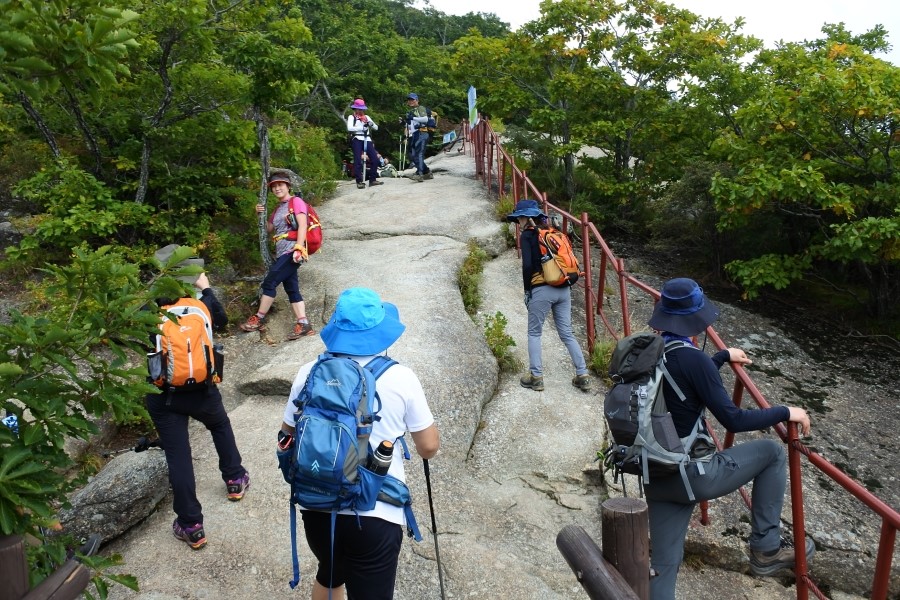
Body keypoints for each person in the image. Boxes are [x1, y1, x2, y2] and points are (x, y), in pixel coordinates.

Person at [643, 277, 814, 600]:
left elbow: (683, 381)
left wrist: (721, 357)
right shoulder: (692, 359)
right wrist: (785, 412)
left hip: (656, 473)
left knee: (663, 565)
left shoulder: (651, 349)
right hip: (694, 475)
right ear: (696, 318)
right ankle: (766, 548)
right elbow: (732, 418)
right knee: (773, 453)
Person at [279, 287, 440, 600]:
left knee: (330, 574)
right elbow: (428, 447)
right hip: (374, 515)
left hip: (316, 503)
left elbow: (287, 436)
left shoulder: (308, 373)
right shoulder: (401, 378)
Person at [147, 247, 250, 550]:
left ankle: (191, 524)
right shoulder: (201, 306)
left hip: (164, 396)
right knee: (220, 426)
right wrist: (205, 287)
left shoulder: (151, 309)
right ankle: (234, 479)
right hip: (204, 391)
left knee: (178, 455)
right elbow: (222, 318)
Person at [506, 199, 590, 393]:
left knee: (534, 332)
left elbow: (527, 266)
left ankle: (536, 377)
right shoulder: (554, 232)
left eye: (519, 218)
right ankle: (583, 375)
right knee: (567, 333)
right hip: (563, 287)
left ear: (525, 217)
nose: (518, 222)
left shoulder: (528, 235)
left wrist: (528, 290)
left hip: (542, 289)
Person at [239, 173, 315, 340]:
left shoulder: (296, 202)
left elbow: (303, 225)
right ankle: (304, 324)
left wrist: (298, 248)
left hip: (292, 251)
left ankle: (258, 318)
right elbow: (268, 229)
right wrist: (259, 214)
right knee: (292, 289)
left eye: (281, 185)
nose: (277, 188)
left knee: (269, 283)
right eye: (274, 186)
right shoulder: (277, 209)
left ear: (288, 186)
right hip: (282, 252)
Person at [347, 98, 383, 190]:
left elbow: (376, 128)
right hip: (357, 139)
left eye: (362, 109)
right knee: (357, 160)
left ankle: (372, 179)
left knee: (375, 159)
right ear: (355, 109)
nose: (360, 111)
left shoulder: (367, 117)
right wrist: (361, 128)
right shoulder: (352, 117)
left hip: (367, 139)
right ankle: (359, 181)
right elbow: (350, 128)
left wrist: (370, 123)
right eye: (359, 109)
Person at [404, 92, 432, 183]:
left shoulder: (420, 108)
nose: (410, 101)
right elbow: (411, 125)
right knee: (413, 155)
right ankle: (426, 172)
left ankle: (419, 174)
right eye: (409, 100)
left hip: (422, 133)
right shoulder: (411, 111)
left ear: (417, 100)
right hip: (415, 134)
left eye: (412, 99)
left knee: (418, 154)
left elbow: (425, 119)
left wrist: (413, 118)